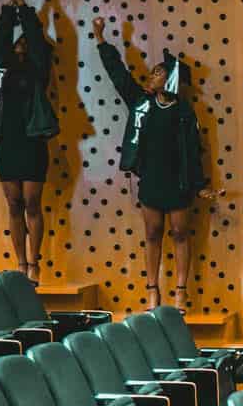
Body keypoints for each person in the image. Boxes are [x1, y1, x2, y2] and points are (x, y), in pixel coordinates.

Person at [92, 17, 219, 311]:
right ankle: (152, 291)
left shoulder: (185, 111)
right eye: (152, 72)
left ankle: (180, 292)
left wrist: (200, 187)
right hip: (151, 179)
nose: (152, 76)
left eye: (159, 73)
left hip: (178, 181)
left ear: (171, 79)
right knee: (152, 233)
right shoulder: (140, 101)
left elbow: (194, 151)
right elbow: (118, 74)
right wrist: (101, 40)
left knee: (180, 233)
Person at [0, 0, 58, 285]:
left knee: (32, 203)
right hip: (8, 143)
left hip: (31, 142)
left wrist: (25, 4)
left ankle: (35, 261)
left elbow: (35, 36)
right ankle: (20, 262)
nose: (20, 44)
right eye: (18, 42)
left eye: (25, 42)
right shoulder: (3, 65)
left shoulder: (39, 67)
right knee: (13, 204)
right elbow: (1, 36)